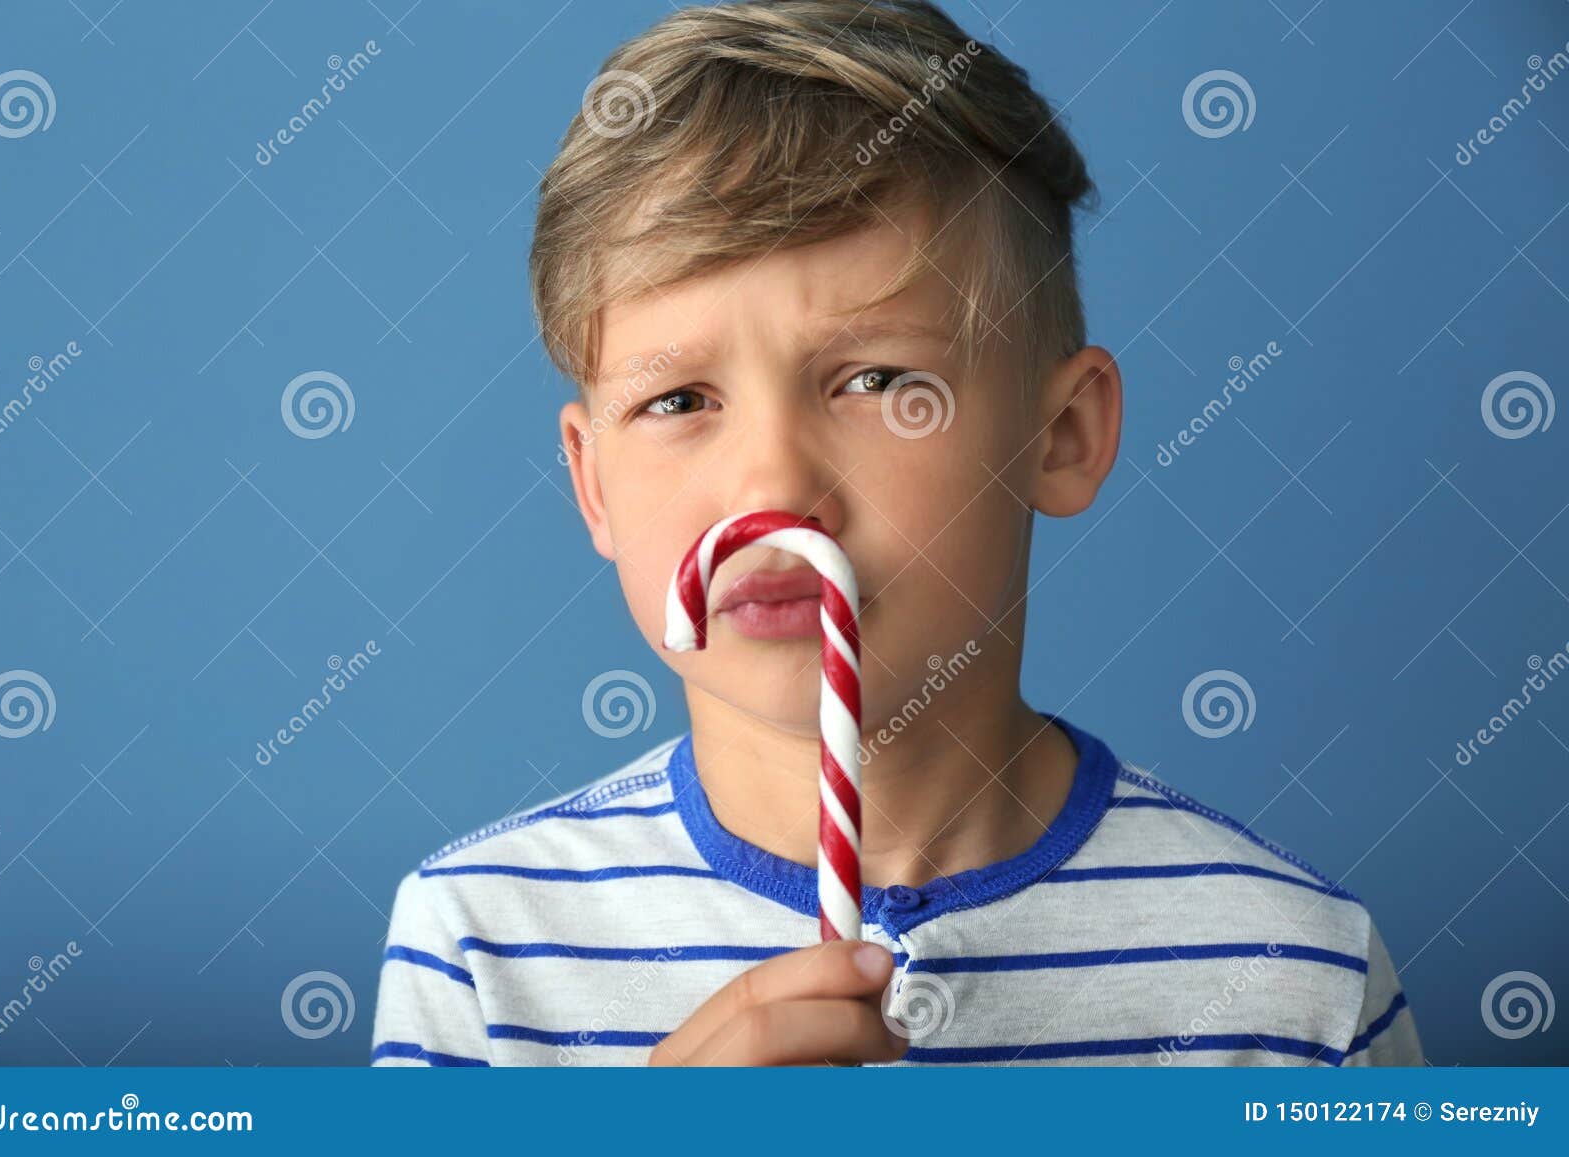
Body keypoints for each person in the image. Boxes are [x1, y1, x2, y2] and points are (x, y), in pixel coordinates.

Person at [371, 0, 1421, 1067]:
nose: (773, 486)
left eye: (877, 381)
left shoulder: (1293, 978)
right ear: (592, 485)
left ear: (1059, 435)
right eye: (680, 400)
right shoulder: (480, 952)